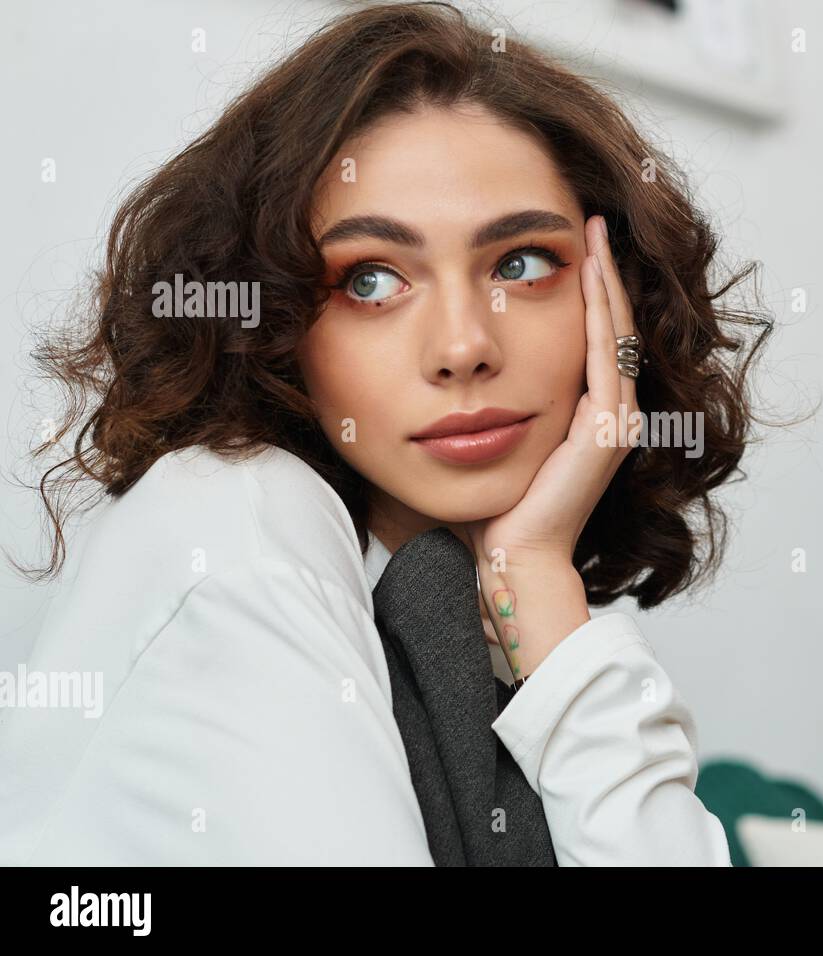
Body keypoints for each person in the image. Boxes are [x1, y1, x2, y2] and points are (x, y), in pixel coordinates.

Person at [2, 1, 774, 865]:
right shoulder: (233, 519)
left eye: (520, 264)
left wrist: (535, 583)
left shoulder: (491, 602)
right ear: (273, 325)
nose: (463, 347)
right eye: (371, 280)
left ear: (613, 307)